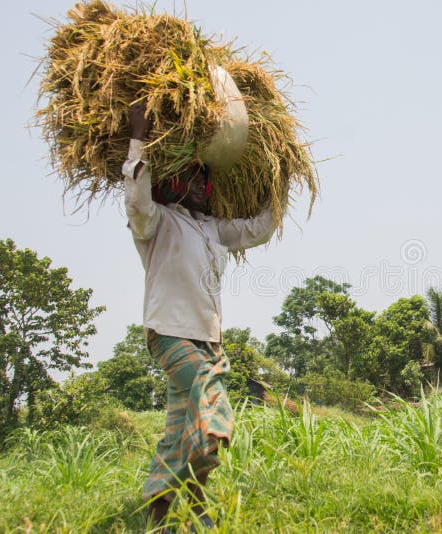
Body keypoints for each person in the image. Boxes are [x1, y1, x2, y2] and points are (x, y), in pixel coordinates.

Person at [123, 103, 276, 531]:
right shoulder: (157, 222)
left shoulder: (212, 230)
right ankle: (192, 503)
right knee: (211, 408)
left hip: (209, 340)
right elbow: (136, 200)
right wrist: (139, 137)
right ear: (172, 182)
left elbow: (256, 229)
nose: (197, 184)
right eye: (190, 177)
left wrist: (276, 187)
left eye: (202, 179)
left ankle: (162, 508)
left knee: (180, 429)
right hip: (170, 333)